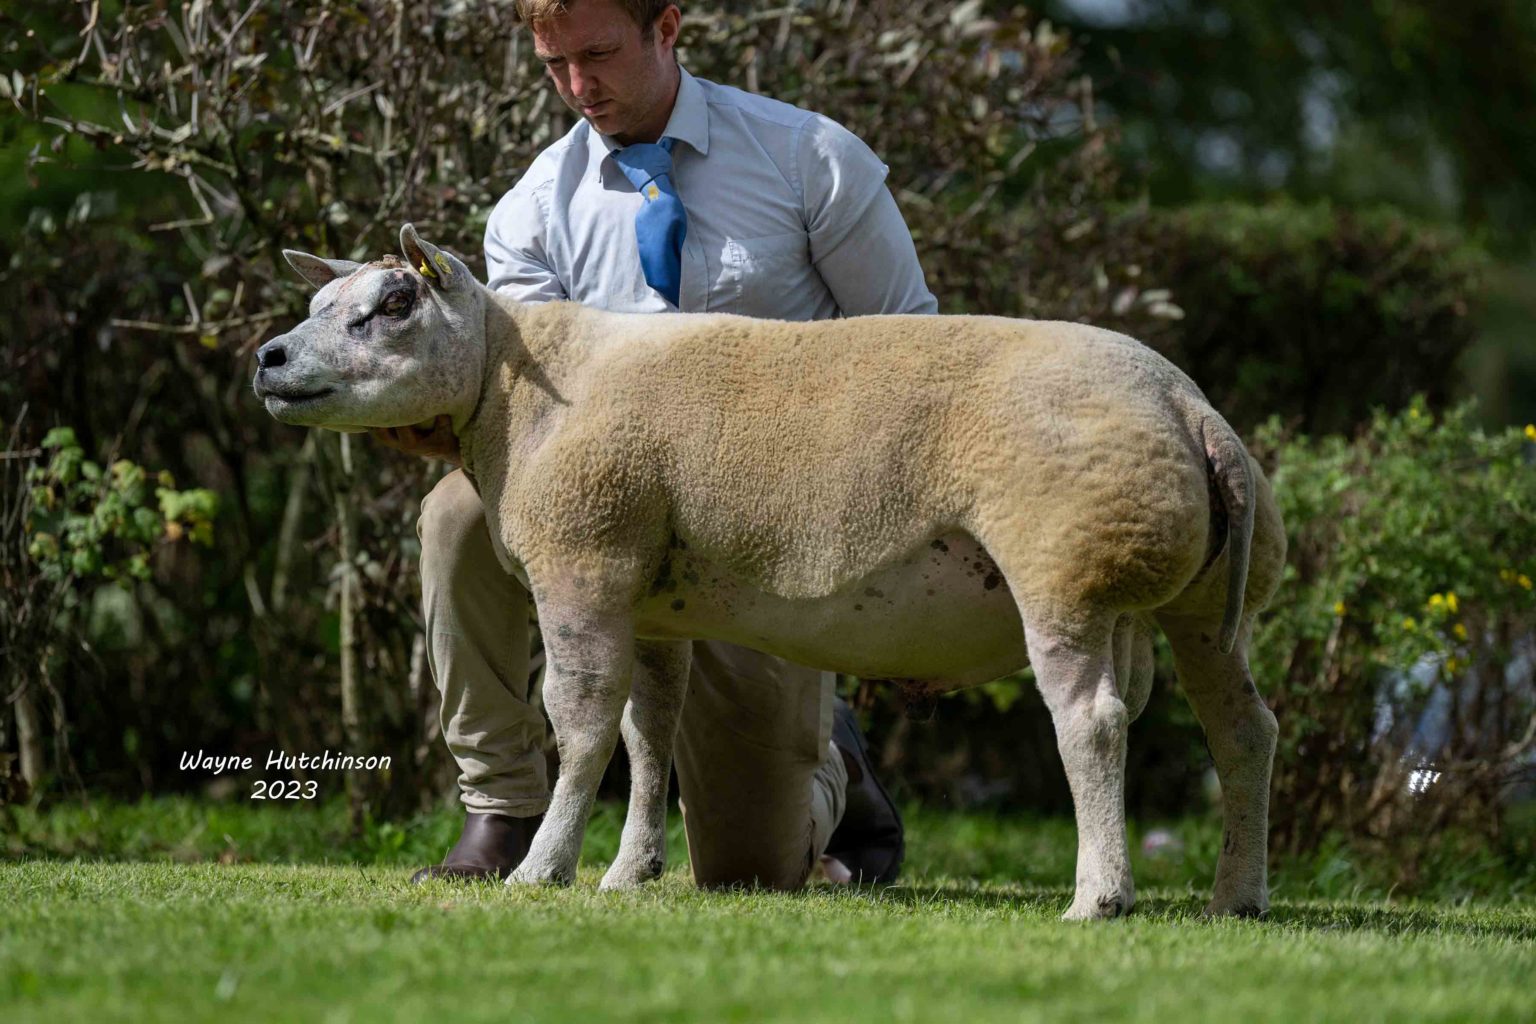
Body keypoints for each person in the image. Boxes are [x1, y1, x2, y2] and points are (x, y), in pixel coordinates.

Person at [386, 0, 938, 890]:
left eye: (599, 53)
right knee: (457, 511)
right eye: (555, 65)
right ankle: (503, 808)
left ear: (668, 27)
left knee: (750, 871)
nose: (579, 86)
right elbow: (522, 411)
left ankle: (835, 768)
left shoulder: (808, 160)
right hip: (604, 512)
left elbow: (914, 354)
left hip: (768, 526)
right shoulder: (534, 209)